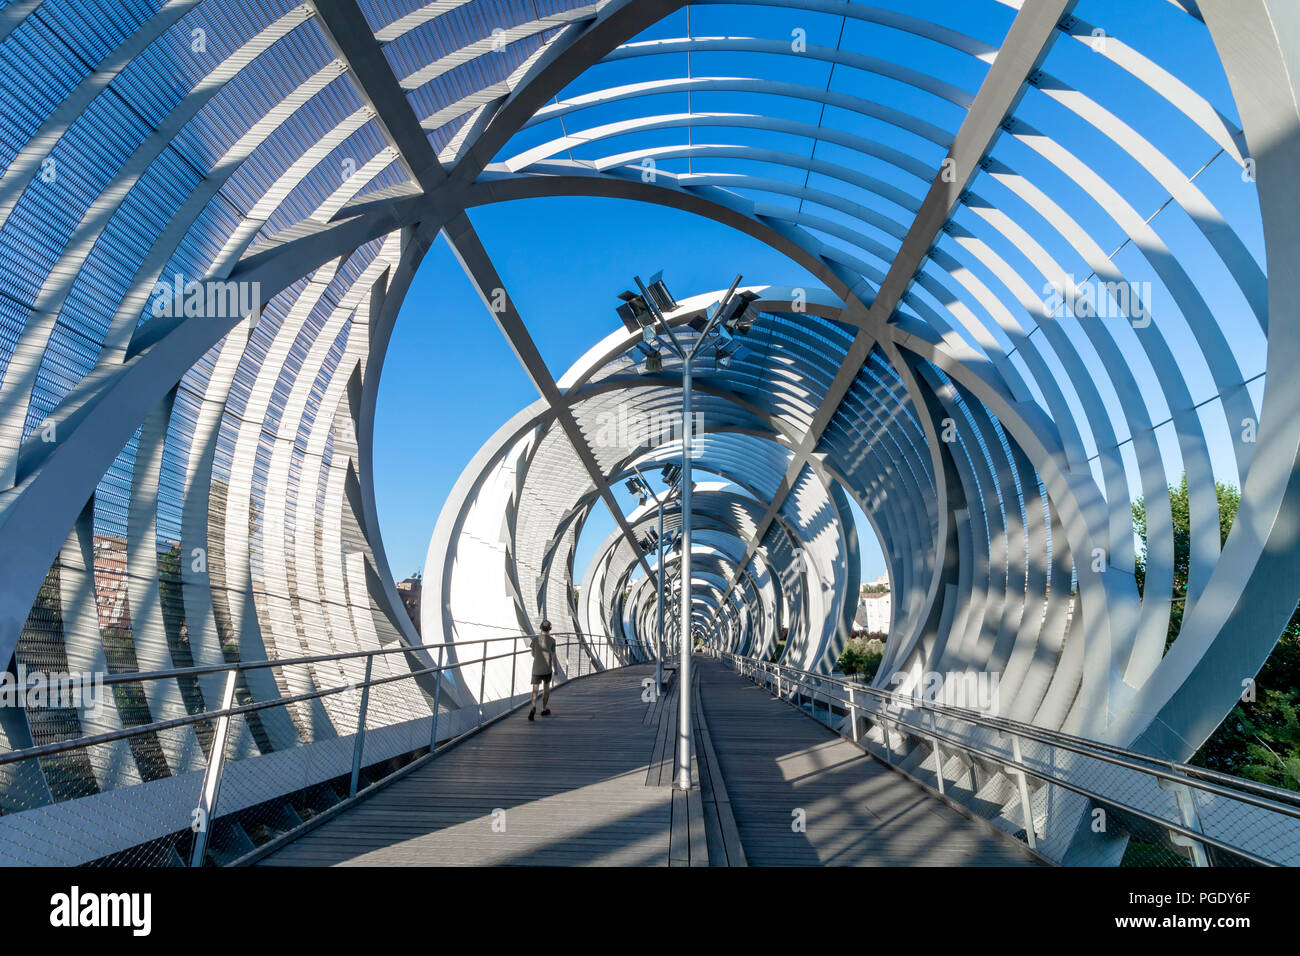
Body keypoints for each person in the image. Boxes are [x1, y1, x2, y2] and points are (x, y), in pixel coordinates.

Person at [528, 620, 557, 721]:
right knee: (546, 689)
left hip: (536, 668)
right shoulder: (552, 641)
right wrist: (556, 669)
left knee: (535, 689)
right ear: (549, 629)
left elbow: (532, 653)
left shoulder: (535, 639)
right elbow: (553, 656)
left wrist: (538, 657)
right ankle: (544, 709)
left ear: (541, 628)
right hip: (547, 669)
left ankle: (533, 706)